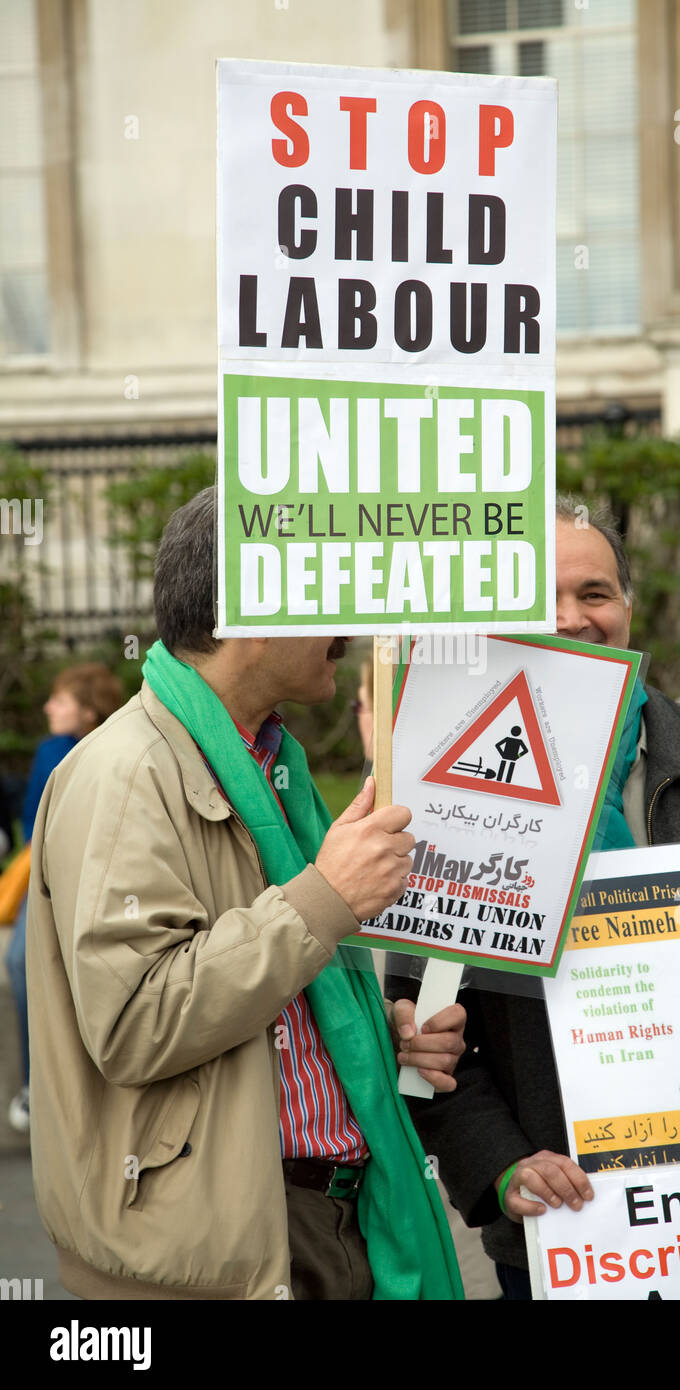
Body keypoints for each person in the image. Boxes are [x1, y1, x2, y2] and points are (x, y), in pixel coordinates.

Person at [393, 498, 680, 1300]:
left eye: (596, 593)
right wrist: (500, 1169)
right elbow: (428, 1042)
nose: (574, 619)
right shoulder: (450, 795)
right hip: (573, 1235)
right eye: (540, 600)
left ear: (629, 608)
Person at [26, 488, 465, 1301]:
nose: (353, 624)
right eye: (331, 591)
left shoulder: (272, 766)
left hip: (323, 1218)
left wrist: (374, 1039)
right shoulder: (126, 774)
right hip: (225, 1246)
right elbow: (135, 1024)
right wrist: (326, 897)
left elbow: (274, 992)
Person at [6, 662, 124, 1133]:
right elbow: (35, 823)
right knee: (21, 962)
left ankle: (92, 1076)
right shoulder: (51, 749)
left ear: (90, 712)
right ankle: (37, 1083)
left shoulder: (112, 747)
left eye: (62, 701)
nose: (49, 707)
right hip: (55, 876)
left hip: (100, 878)